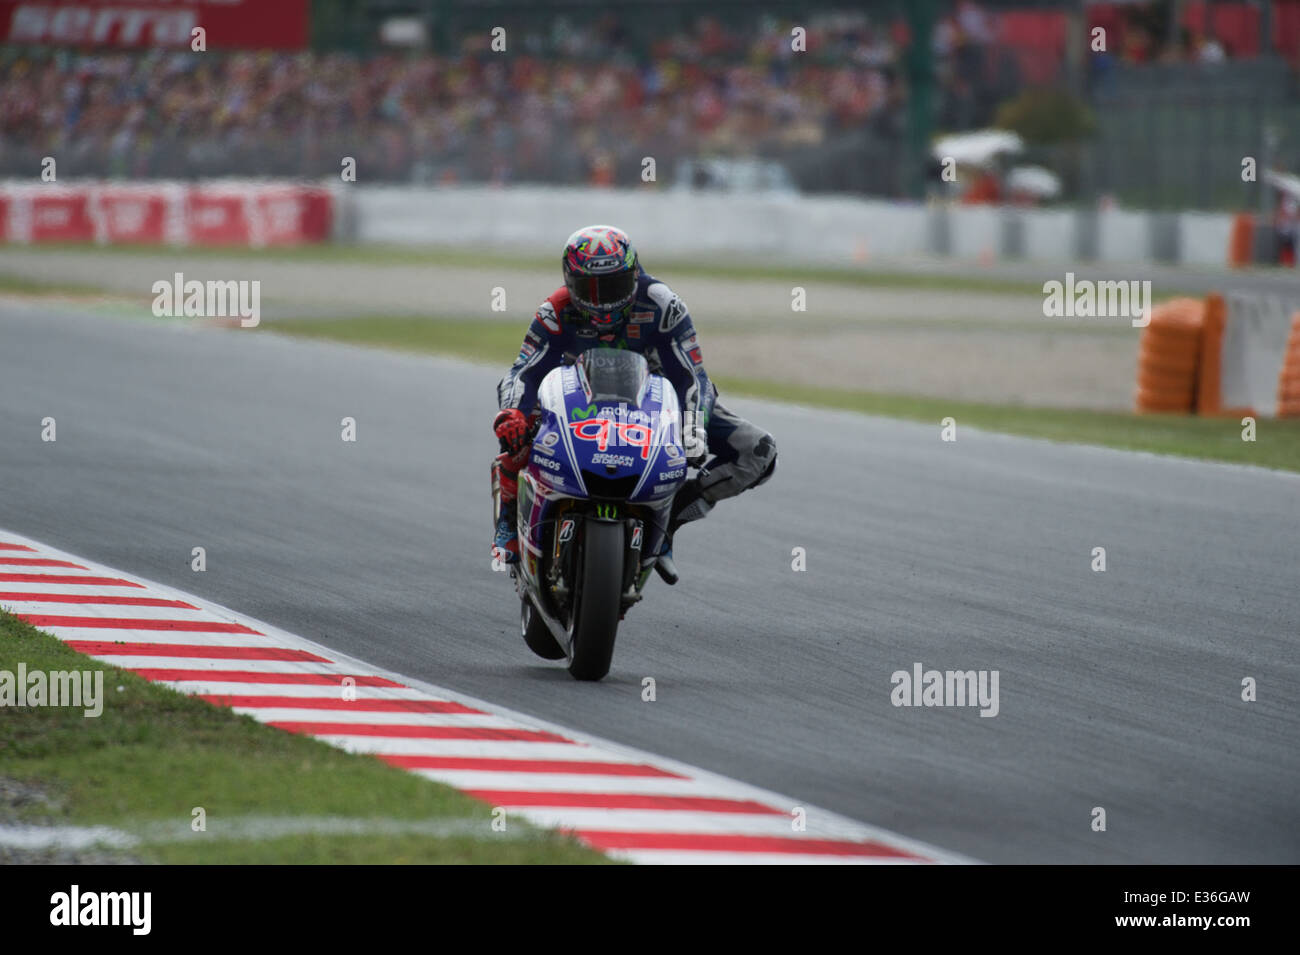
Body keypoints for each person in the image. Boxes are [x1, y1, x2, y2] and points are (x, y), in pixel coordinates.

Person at [490, 224, 777, 582]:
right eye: (588, 288)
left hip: (655, 403)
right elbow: (524, 370)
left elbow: (693, 376)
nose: (601, 301)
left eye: (612, 285)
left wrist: (692, 426)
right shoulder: (555, 309)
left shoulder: (664, 304)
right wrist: (512, 413)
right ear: (569, 280)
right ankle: (508, 516)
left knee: (759, 452)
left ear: (634, 272)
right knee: (515, 424)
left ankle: (669, 519)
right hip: (574, 399)